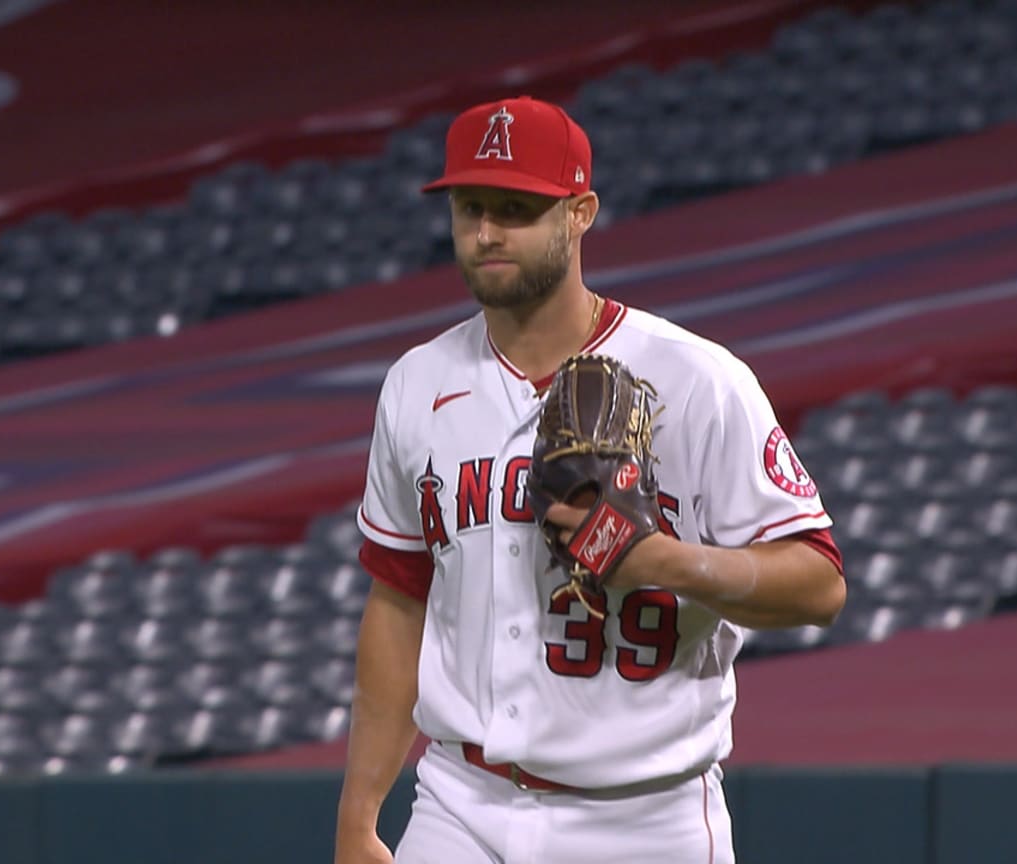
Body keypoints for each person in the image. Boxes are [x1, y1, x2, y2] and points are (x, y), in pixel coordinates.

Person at [334, 95, 846, 864]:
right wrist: (359, 811)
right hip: (459, 802)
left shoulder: (697, 380)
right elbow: (400, 597)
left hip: (642, 816)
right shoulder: (416, 384)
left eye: (517, 208)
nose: (485, 233)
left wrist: (662, 562)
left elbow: (819, 586)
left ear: (581, 214)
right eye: (470, 207)